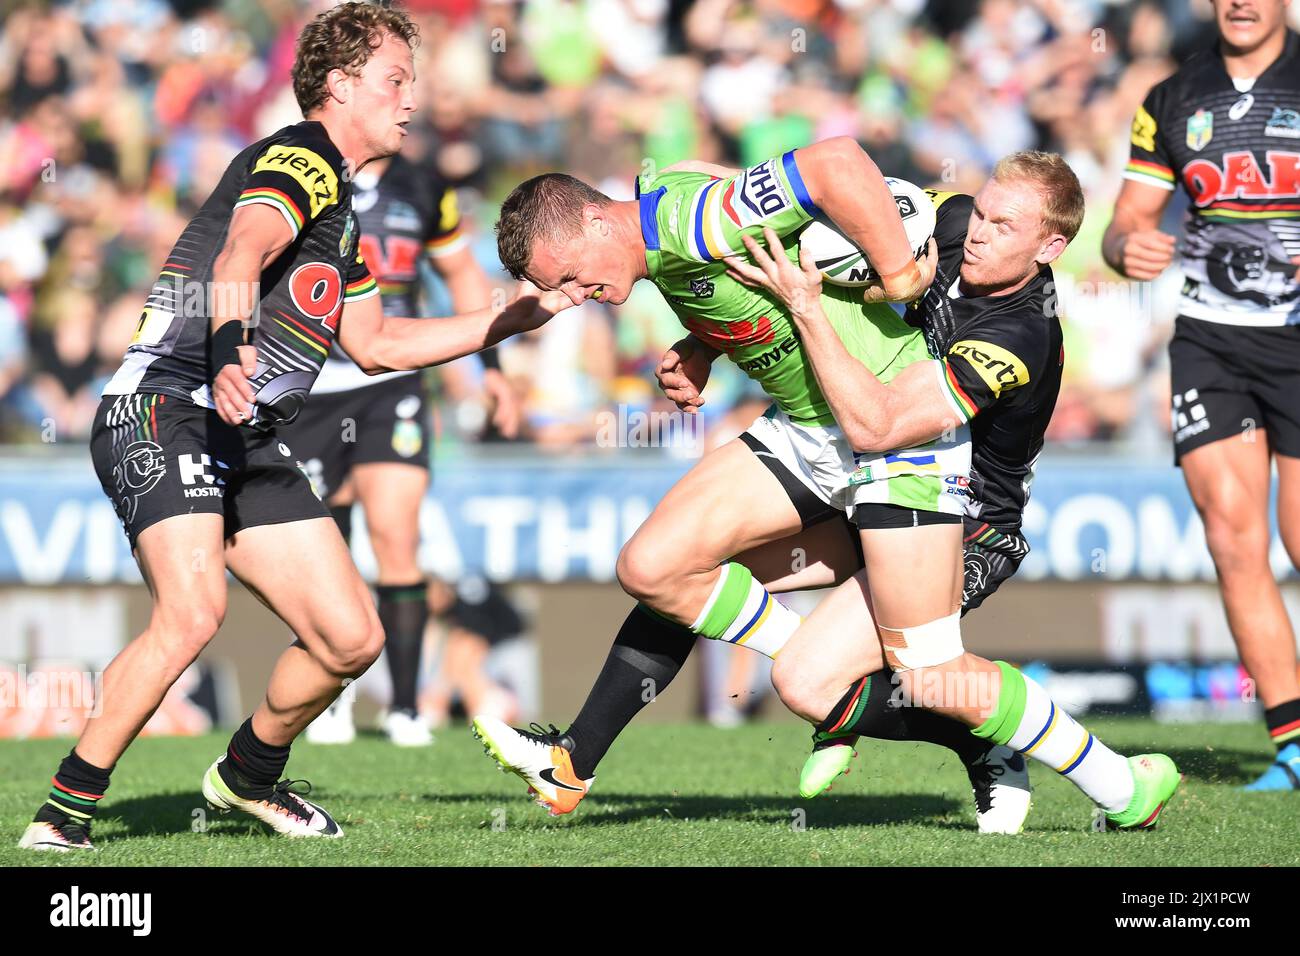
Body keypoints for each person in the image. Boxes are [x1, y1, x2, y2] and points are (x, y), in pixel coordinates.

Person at [472, 145, 1180, 832]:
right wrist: (711, 337)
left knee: (920, 677)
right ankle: (573, 763)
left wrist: (847, 294)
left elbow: (882, 424)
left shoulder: (1019, 335)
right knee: (660, 569)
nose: (980, 233)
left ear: (1050, 248)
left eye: (1005, 227)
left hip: (949, 496)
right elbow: (803, 199)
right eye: (985, 213)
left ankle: (1105, 778)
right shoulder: (953, 220)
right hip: (826, 435)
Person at [18, 3, 565, 852]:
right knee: (192, 612)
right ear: (340, 85)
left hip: (239, 434)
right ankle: (64, 812)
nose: (411, 100)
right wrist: (233, 351)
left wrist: (507, 321)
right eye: (395, 80)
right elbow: (239, 255)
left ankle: (247, 778)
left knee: (352, 636)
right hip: (166, 408)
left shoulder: (340, 211)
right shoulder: (301, 158)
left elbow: (378, 345)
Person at [1103, 0, 1300, 791]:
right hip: (1211, 338)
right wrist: (1129, 249)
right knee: (1232, 540)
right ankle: (1292, 744)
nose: (1241, 2)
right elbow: (1126, 224)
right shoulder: (1172, 98)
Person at [279, 148, 519, 748]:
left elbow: (462, 273)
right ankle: (331, 692)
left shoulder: (424, 183)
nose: (407, 103)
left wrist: (490, 364)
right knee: (325, 544)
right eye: (394, 86)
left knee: (395, 533)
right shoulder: (299, 173)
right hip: (310, 384)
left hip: (393, 380)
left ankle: (407, 706)